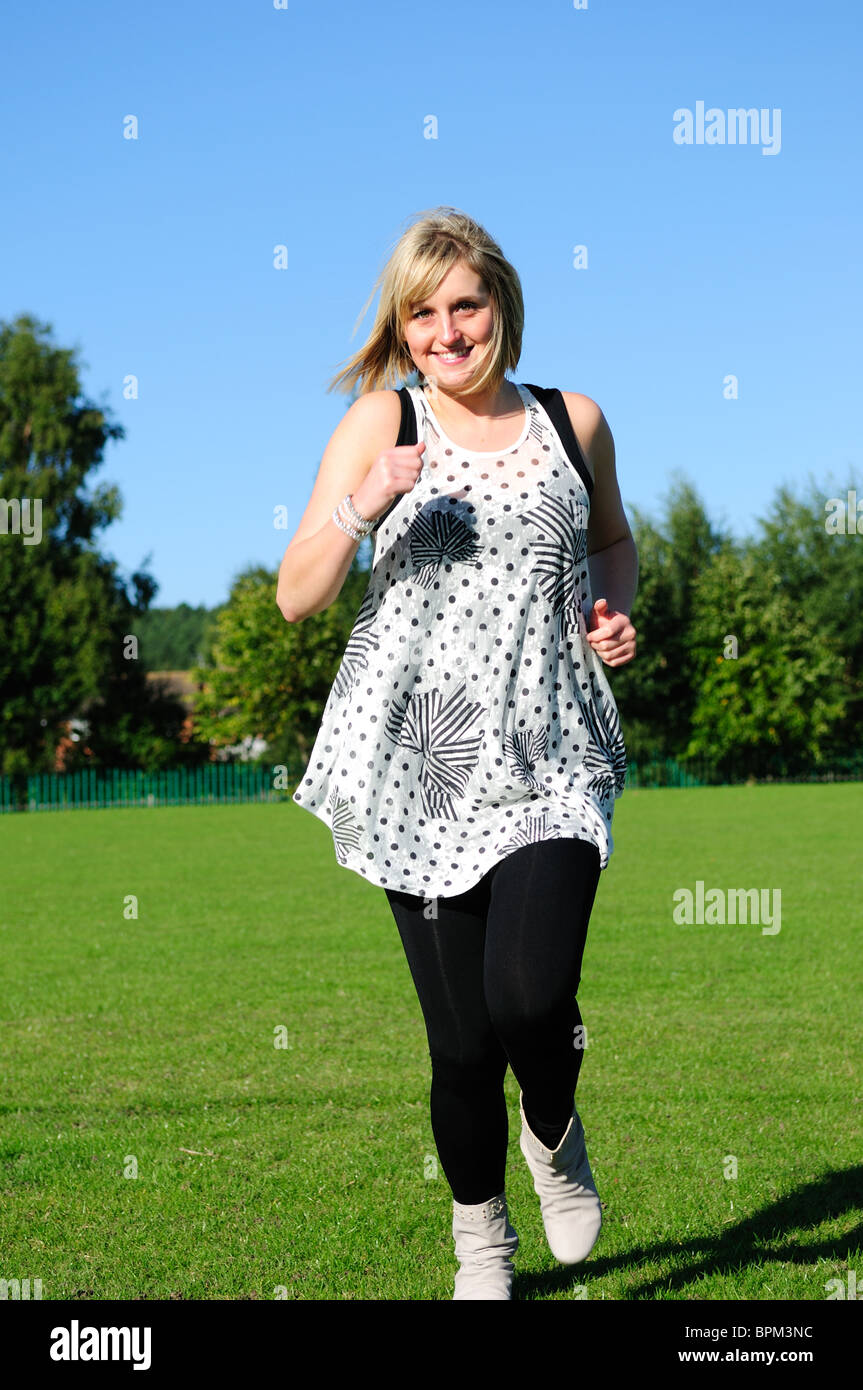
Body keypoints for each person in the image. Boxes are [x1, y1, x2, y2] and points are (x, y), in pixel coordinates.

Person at [278, 207, 638, 1300]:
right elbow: (298, 595)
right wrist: (360, 502)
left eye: (465, 304)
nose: (447, 330)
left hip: (548, 752)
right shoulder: (377, 425)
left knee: (532, 998)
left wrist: (612, 613)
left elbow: (611, 541)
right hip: (418, 772)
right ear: (400, 325)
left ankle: (553, 1132)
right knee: (461, 1046)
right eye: (421, 312)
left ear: (501, 306)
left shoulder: (572, 420)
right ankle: (480, 1238)